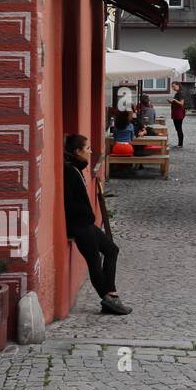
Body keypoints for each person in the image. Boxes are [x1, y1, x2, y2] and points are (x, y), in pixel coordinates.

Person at [63, 134, 132, 315]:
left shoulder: (76, 169)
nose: (90, 151)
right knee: (94, 260)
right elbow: (69, 203)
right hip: (79, 225)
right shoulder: (69, 171)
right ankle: (109, 298)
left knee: (111, 250)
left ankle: (110, 295)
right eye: (87, 148)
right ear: (78, 151)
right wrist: (87, 214)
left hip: (86, 223)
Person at [169, 82, 186, 148]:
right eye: (172, 87)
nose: (173, 88)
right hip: (176, 113)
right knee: (178, 128)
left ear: (178, 85)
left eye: (174, 86)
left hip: (179, 113)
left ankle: (180, 144)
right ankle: (180, 144)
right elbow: (177, 102)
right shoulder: (177, 93)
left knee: (179, 128)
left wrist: (174, 100)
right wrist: (172, 101)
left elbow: (181, 103)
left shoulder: (180, 93)